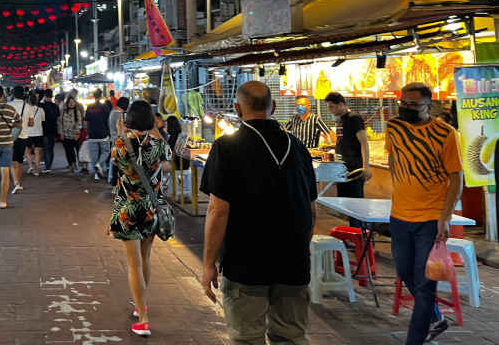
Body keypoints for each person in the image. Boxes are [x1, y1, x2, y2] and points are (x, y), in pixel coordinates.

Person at [200, 81, 317, 345]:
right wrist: (300, 247)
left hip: (246, 264)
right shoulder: (298, 147)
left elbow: (218, 210)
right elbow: (311, 210)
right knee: (291, 337)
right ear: (273, 107)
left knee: (247, 338)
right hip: (293, 264)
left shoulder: (226, 147)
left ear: (236, 109)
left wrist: (208, 264)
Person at [386, 83, 463, 344]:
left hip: (430, 218)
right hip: (399, 215)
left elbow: (456, 177)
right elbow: (393, 159)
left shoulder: (446, 133)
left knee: (424, 282)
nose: (406, 109)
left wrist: (445, 216)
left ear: (429, 105)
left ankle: (415, 339)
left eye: (413, 105)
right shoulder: (394, 128)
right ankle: (436, 319)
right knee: (405, 271)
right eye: (403, 103)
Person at [108, 100, 172, 337]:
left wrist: (119, 133)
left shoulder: (121, 143)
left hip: (128, 207)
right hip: (151, 208)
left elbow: (118, 164)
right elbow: (168, 166)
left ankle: (143, 319)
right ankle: (139, 304)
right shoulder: (158, 144)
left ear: (129, 119)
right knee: (145, 258)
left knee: (133, 263)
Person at [324, 92, 371, 227]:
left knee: (356, 205)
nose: (330, 110)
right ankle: (353, 235)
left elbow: (364, 142)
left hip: (354, 168)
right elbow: (344, 142)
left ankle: (363, 237)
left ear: (341, 104)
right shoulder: (341, 119)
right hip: (342, 168)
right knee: (347, 205)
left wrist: (366, 166)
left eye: (332, 107)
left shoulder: (354, 118)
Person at [9, 86, 35, 192]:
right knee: (19, 160)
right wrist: (24, 123)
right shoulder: (28, 106)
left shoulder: (9, 105)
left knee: (12, 160)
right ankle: (18, 183)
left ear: (13, 94)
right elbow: (31, 123)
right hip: (23, 136)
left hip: (10, 136)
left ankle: (15, 182)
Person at [85, 89, 112, 181]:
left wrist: (87, 132)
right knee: (106, 151)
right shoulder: (105, 107)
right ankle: (100, 164)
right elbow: (108, 121)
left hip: (92, 134)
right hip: (103, 134)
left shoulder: (89, 107)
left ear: (94, 95)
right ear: (101, 96)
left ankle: (97, 175)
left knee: (94, 155)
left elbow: (86, 122)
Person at [24, 90, 46, 176]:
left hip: (28, 133)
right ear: (36, 101)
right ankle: (36, 169)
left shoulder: (25, 109)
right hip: (38, 132)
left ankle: (31, 166)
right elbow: (43, 120)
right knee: (38, 151)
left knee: (27, 150)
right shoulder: (41, 110)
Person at [108, 97, 129, 184]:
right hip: (118, 140)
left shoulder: (112, 112)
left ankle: (111, 179)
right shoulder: (119, 114)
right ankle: (114, 181)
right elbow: (124, 129)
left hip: (113, 139)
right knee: (117, 162)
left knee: (113, 160)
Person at [60, 95, 84, 172]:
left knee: (77, 150)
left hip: (75, 135)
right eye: (70, 102)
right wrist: (61, 133)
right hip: (66, 134)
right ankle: (72, 164)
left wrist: (77, 133)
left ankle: (79, 164)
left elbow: (79, 123)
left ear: (75, 103)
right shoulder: (63, 111)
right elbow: (60, 122)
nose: (71, 104)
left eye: (72, 102)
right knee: (68, 151)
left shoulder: (77, 112)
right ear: (67, 103)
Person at [40, 89, 60, 173]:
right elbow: (57, 117)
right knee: (50, 148)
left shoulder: (41, 106)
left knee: (45, 148)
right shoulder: (55, 106)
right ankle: (49, 165)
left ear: (45, 96)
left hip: (44, 130)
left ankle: (47, 166)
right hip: (53, 130)